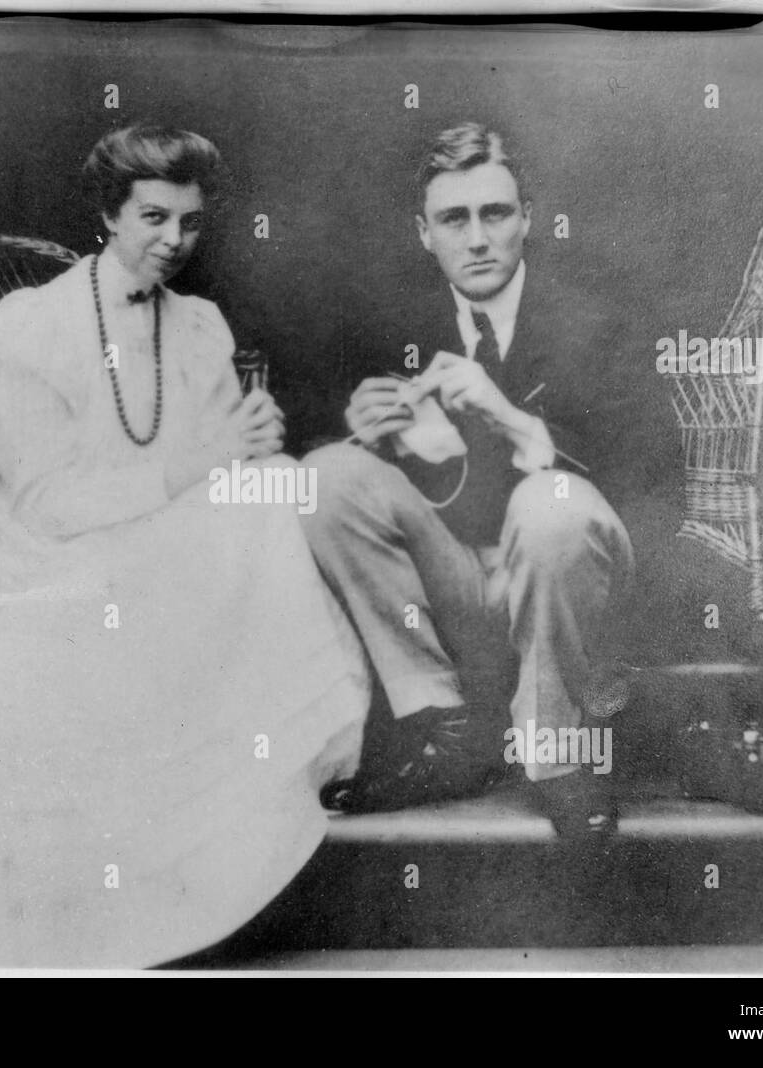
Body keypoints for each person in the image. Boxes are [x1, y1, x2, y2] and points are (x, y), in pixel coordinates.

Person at [0, 124, 369, 967]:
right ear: (109, 214)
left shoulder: (199, 324)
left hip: (170, 549)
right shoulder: (32, 323)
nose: (173, 241)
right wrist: (198, 463)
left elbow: (218, 465)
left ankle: (291, 770)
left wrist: (254, 442)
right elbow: (47, 500)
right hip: (50, 554)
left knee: (275, 494)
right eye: (154, 218)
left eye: (191, 224)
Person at [301, 122, 679, 836]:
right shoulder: (390, 322)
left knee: (549, 504)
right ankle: (443, 727)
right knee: (325, 476)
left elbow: (651, 480)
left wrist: (507, 418)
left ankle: (557, 751)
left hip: (572, 583)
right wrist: (364, 430)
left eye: (495, 214)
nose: (476, 239)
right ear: (424, 232)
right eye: (454, 219)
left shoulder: (596, 324)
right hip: (461, 583)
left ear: (527, 219)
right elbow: (334, 462)